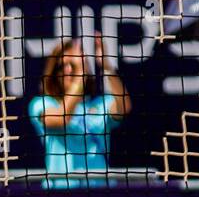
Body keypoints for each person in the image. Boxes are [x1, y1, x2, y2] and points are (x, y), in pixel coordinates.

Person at [29, 38, 131, 188]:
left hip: (101, 194)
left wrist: (106, 66)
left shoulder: (100, 104)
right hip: (60, 194)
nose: (69, 70)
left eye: (74, 64)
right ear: (54, 73)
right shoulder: (42, 104)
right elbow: (61, 118)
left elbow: (124, 107)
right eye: (63, 65)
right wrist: (79, 77)